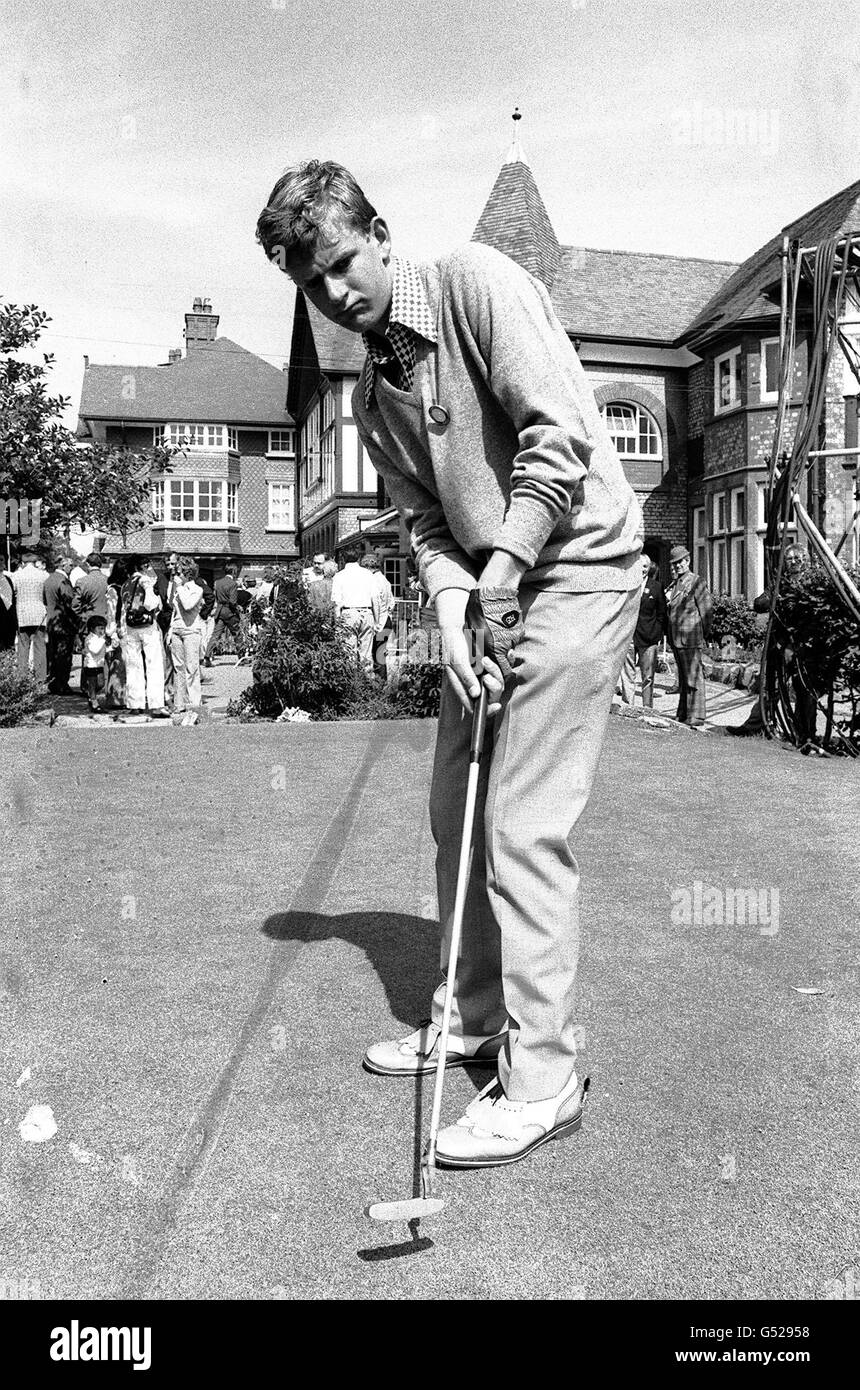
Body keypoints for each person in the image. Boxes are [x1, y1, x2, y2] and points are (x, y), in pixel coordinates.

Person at [256, 159, 642, 1168]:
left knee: (519, 821)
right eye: (313, 284)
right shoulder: (374, 378)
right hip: (491, 583)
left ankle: (544, 1078)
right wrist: (454, 599)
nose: (335, 292)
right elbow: (423, 518)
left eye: (341, 262)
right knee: (454, 805)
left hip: (580, 569)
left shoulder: (478, 284)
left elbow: (560, 440)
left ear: (378, 233)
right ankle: (469, 1017)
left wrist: (507, 563)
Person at [665, 544, 713, 728]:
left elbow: (706, 611)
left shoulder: (696, 582)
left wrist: (702, 634)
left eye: (680, 562)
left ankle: (697, 715)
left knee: (694, 677)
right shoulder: (676, 583)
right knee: (684, 679)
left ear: (688, 561)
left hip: (691, 637)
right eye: (675, 564)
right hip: (677, 637)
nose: (677, 566)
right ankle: (684, 712)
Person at [119, 555, 168, 717]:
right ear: (142, 566)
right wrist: (156, 601)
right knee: (153, 664)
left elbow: (123, 609)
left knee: (133, 666)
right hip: (147, 626)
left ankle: (135, 703)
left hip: (130, 627)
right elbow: (149, 603)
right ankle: (156, 705)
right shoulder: (145, 580)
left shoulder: (125, 584)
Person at [618, 555, 667, 709]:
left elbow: (662, 613)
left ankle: (647, 707)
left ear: (649, 568)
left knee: (648, 675)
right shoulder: (627, 585)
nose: (643, 570)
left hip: (649, 637)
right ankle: (629, 706)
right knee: (627, 673)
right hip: (629, 636)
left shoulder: (656, 587)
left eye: (645, 566)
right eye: (640, 566)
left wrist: (657, 634)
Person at [329, 545, 381, 673]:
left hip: (348, 612)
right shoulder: (369, 575)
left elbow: (336, 603)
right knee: (366, 654)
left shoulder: (339, 576)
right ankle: (367, 685)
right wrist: (377, 621)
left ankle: (351, 685)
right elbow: (376, 600)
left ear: (342, 558)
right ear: (359, 558)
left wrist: (337, 623)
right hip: (367, 612)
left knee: (348, 653)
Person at [169, 557, 205, 713]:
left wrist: (179, 588)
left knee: (192, 668)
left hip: (191, 631)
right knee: (178, 669)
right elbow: (173, 609)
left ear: (186, 573)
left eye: (179, 572)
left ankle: (194, 704)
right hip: (177, 629)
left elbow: (188, 605)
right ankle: (179, 704)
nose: (177, 575)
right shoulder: (178, 589)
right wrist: (170, 631)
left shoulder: (197, 589)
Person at [11, 550, 48, 683]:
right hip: (39, 613)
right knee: (40, 646)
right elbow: (45, 594)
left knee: (23, 647)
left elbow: (13, 593)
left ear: (22, 562)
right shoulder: (43, 575)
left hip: (22, 614)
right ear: (35, 562)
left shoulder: (16, 575)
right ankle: (40, 679)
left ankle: (22, 677)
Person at [44, 556, 77, 694]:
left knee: (53, 654)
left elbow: (45, 600)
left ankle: (53, 683)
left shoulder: (48, 580)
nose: (72, 567)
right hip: (64, 623)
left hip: (52, 622)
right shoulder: (64, 582)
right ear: (64, 566)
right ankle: (62, 684)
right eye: (71, 565)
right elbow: (71, 603)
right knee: (64, 655)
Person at [360, 551, 395, 674]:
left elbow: (377, 603)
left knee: (376, 655)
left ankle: (379, 686)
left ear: (368, 567)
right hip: (386, 620)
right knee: (380, 655)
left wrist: (376, 623)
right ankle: (382, 684)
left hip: (379, 622)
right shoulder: (384, 580)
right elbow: (392, 603)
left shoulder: (374, 580)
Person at [72, 552, 109, 628]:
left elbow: (75, 605)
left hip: (89, 622)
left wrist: (82, 618)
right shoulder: (109, 581)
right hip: (106, 621)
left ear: (88, 564)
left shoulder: (81, 582)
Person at [211, 562, 241, 656]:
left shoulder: (218, 582)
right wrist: (237, 610)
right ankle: (241, 655)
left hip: (220, 611)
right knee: (237, 634)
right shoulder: (233, 584)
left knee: (215, 635)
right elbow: (233, 601)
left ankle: (207, 655)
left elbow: (215, 596)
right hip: (229, 612)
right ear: (234, 572)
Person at [81, 615, 107, 711]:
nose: (102, 631)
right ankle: (94, 701)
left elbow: (103, 650)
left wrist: (112, 646)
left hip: (99, 664)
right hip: (90, 665)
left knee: (101, 684)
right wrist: (104, 639)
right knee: (92, 683)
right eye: (100, 628)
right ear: (92, 629)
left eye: (103, 628)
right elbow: (95, 650)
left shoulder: (100, 639)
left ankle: (91, 695)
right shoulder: (90, 639)